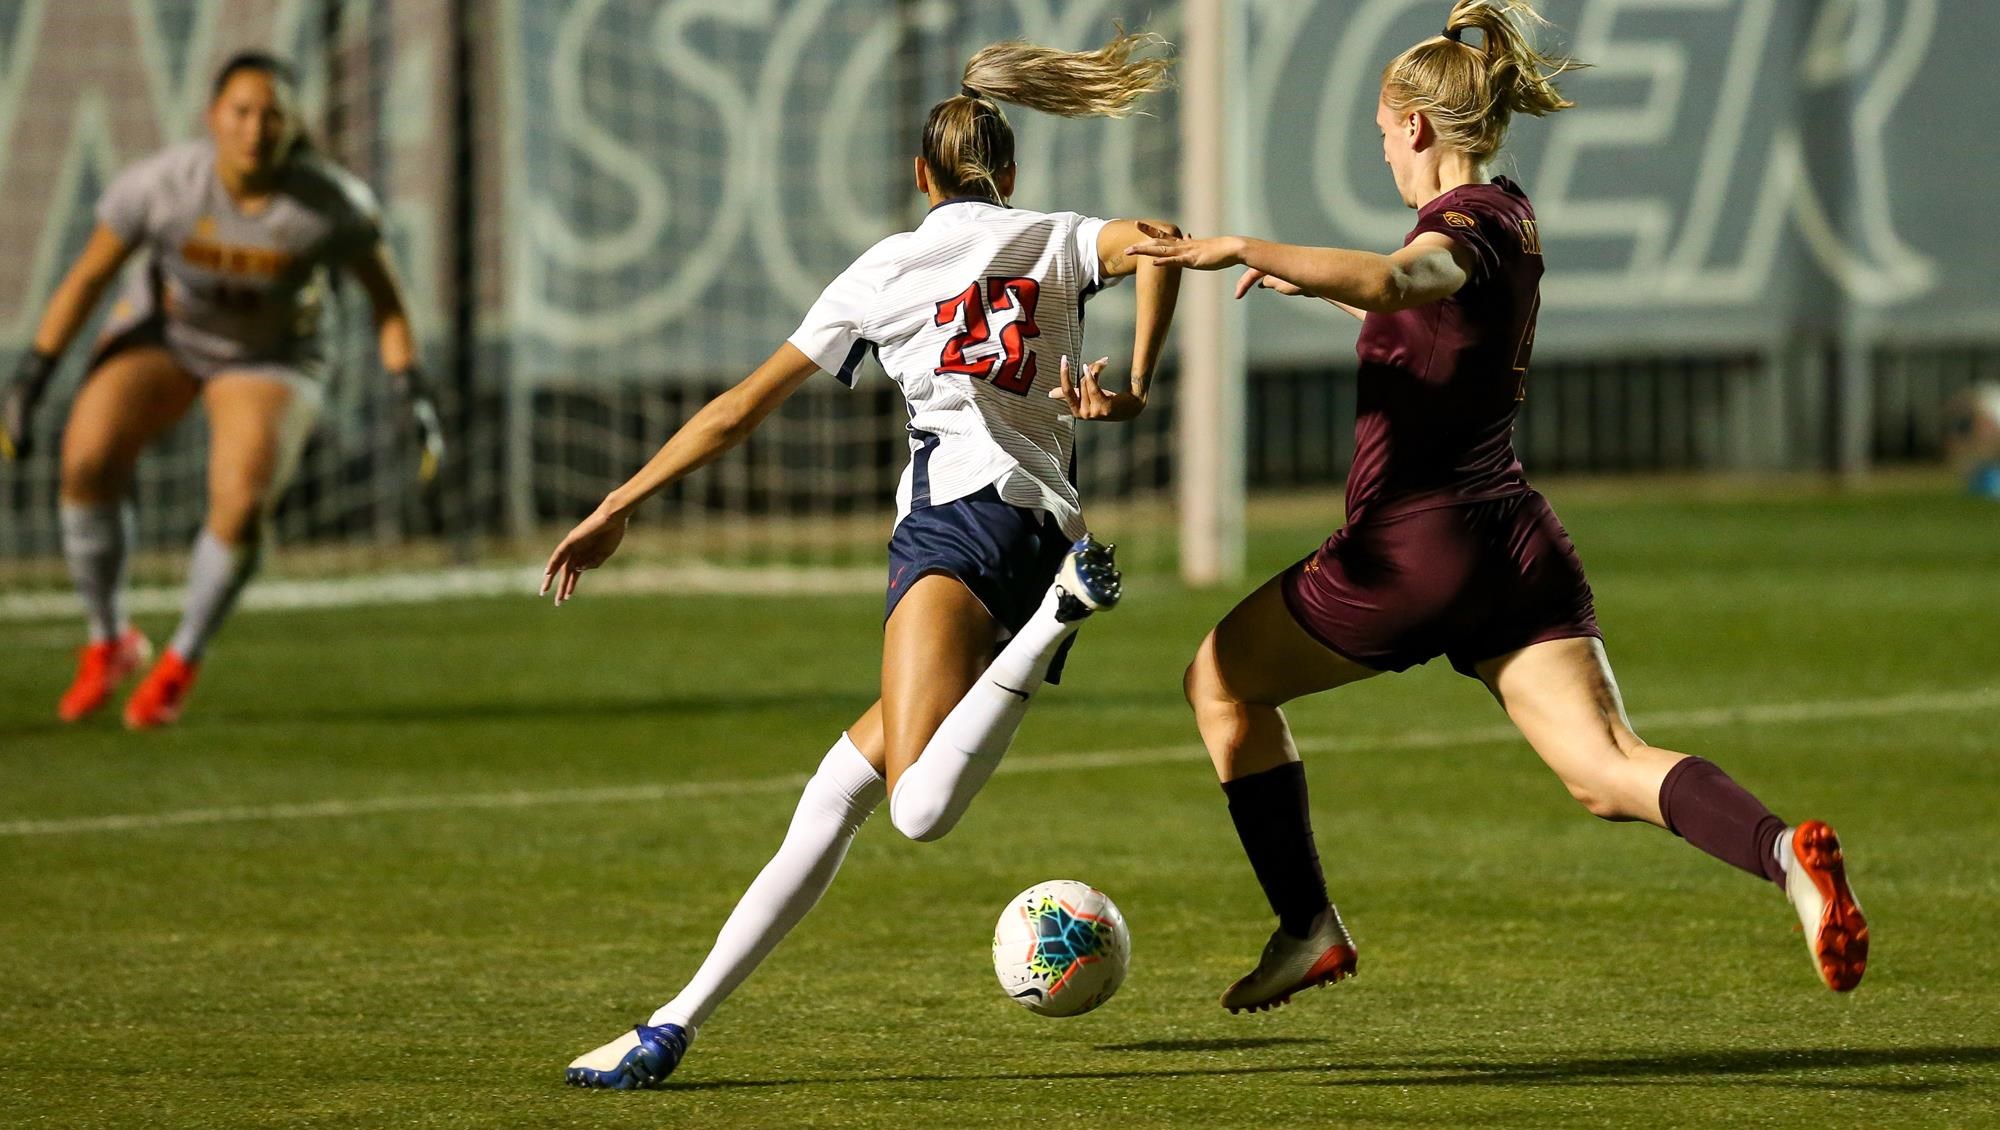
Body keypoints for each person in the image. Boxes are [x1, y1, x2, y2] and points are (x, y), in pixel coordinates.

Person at [1125, 0, 1865, 1013]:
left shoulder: (1456, 226)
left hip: (1410, 548)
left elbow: (1398, 280)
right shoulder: (1509, 213)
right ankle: (1783, 854)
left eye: (1381, 132)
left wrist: (1240, 244)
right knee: (1604, 769)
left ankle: (1306, 925)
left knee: (1218, 682)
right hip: (1512, 545)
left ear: (1416, 126)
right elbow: (1420, 316)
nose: (1382, 148)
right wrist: (1321, 293)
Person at [543, 32, 1182, 1089]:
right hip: (1035, 532)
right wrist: (1137, 385)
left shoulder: (883, 269)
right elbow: (1159, 242)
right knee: (837, 788)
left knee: (917, 809)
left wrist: (619, 502)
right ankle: (669, 1025)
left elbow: (736, 411)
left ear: (920, 176)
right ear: (1006, 171)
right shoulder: (1049, 236)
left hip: (958, 532)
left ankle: (1062, 613)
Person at [0, 50, 443, 729]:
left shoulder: (331, 205)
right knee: (85, 459)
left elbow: (388, 302)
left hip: (272, 356)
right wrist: (32, 377)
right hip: (167, 337)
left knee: (240, 502)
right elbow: (88, 278)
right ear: (212, 117)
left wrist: (412, 390)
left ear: (294, 126)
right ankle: (108, 637)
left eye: (273, 114)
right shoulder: (162, 185)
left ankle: (180, 658)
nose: (255, 128)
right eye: (241, 111)